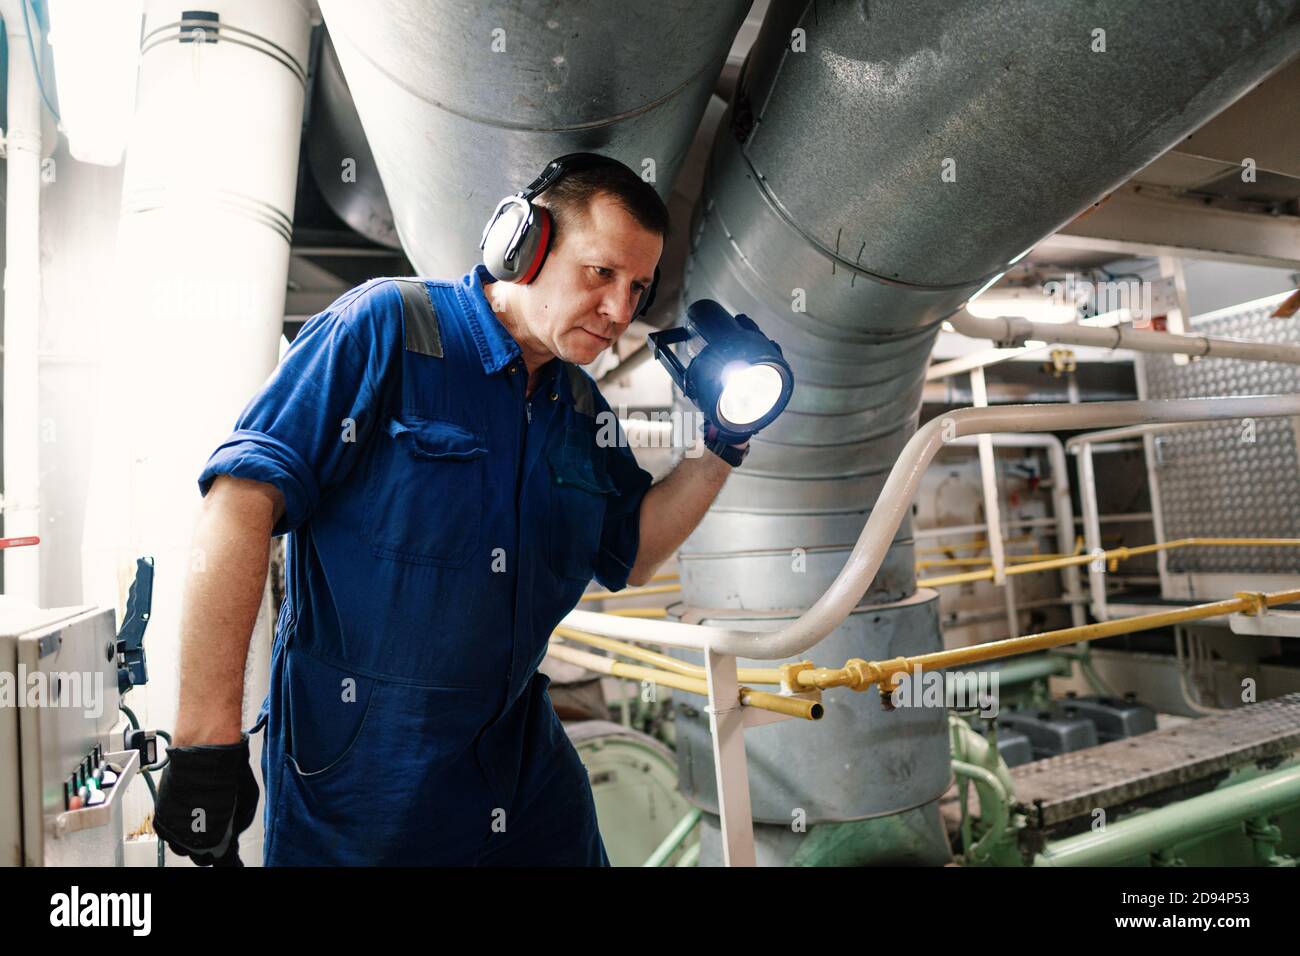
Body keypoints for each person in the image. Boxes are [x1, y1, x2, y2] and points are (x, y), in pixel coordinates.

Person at [154, 154, 750, 865]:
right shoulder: (389, 329)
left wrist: (722, 442)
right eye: (602, 273)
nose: (622, 309)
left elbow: (634, 551)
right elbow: (240, 502)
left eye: (639, 287)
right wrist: (204, 741)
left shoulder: (579, 407)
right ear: (524, 245)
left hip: (520, 766)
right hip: (369, 775)